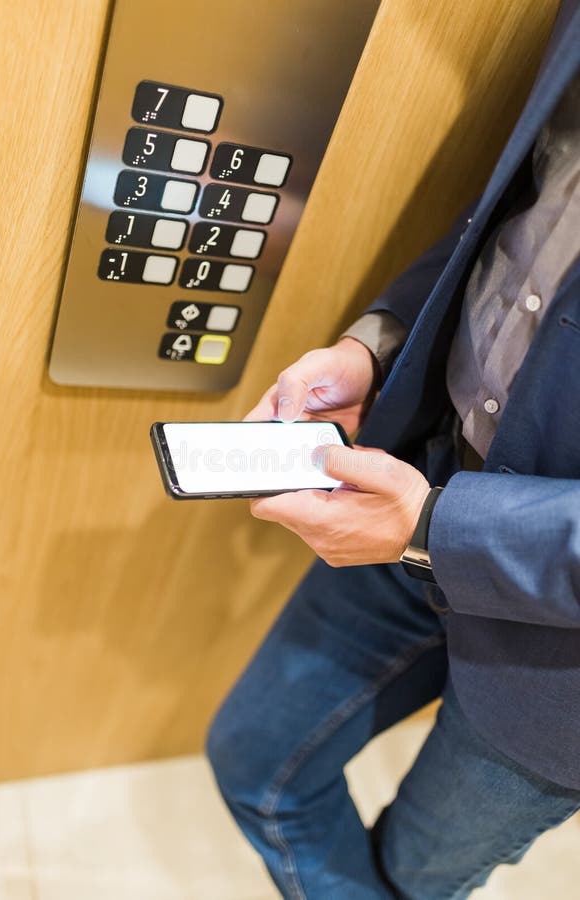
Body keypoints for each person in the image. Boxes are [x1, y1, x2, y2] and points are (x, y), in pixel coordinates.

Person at [207, 1, 580, 896]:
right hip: (428, 465)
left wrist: (437, 528)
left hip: (560, 677)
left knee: (418, 874)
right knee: (257, 762)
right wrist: (374, 346)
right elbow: (523, 222)